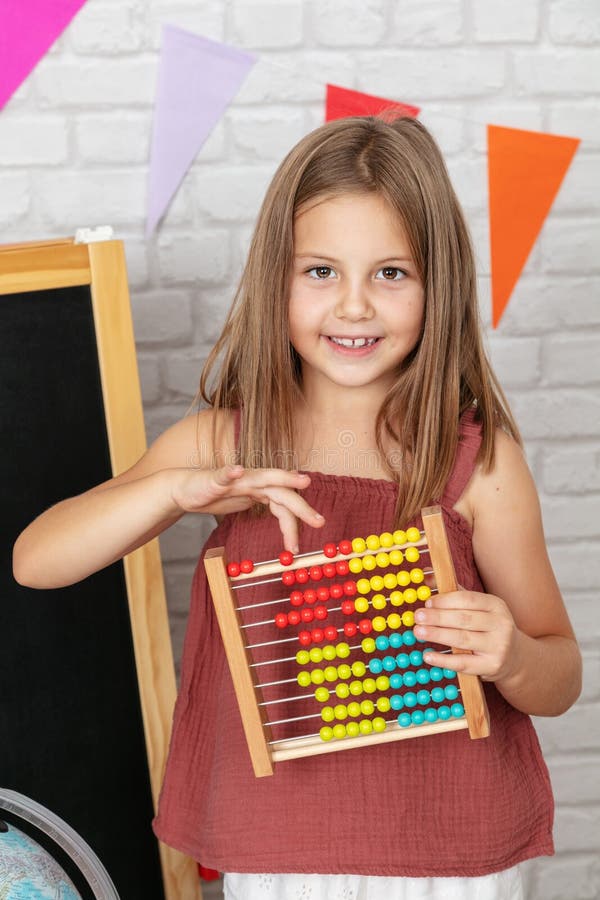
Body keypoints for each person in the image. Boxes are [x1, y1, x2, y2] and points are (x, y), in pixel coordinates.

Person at [13, 116, 581, 900]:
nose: (354, 307)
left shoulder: (477, 463)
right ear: (275, 277)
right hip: (281, 848)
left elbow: (560, 674)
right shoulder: (223, 444)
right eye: (320, 271)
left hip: (456, 854)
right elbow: (37, 560)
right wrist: (175, 492)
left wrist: (513, 652)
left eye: (391, 273)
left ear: (438, 283)